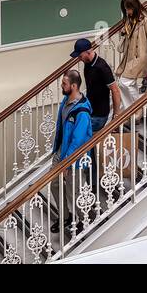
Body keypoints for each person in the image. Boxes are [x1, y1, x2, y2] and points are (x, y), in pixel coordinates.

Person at [50, 68, 94, 236]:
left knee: (72, 191)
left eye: (64, 83)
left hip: (74, 158)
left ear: (74, 86)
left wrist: (67, 163)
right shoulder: (66, 100)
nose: (62, 85)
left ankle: (83, 220)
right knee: (54, 183)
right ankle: (65, 216)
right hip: (60, 152)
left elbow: (77, 140)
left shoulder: (82, 112)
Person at [71, 37, 120, 135]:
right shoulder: (88, 63)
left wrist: (116, 115)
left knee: (76, 134)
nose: (79, 59)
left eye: (80, 56)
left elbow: (115, 90)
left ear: (88, 52)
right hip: (90, 111)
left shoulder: (102, 67)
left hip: (99, 115)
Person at [115, 0, 147, 108]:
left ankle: (136, 108)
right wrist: (123, 33)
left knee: (124, 82)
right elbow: (126, 43)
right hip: (130, 58)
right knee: (127, 83)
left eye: (129, 8)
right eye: (126, 9)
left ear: (135, 6)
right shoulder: (129, 21)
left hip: (140, 58)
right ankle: (132, 110)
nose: (128, 11)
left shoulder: (145, 21)